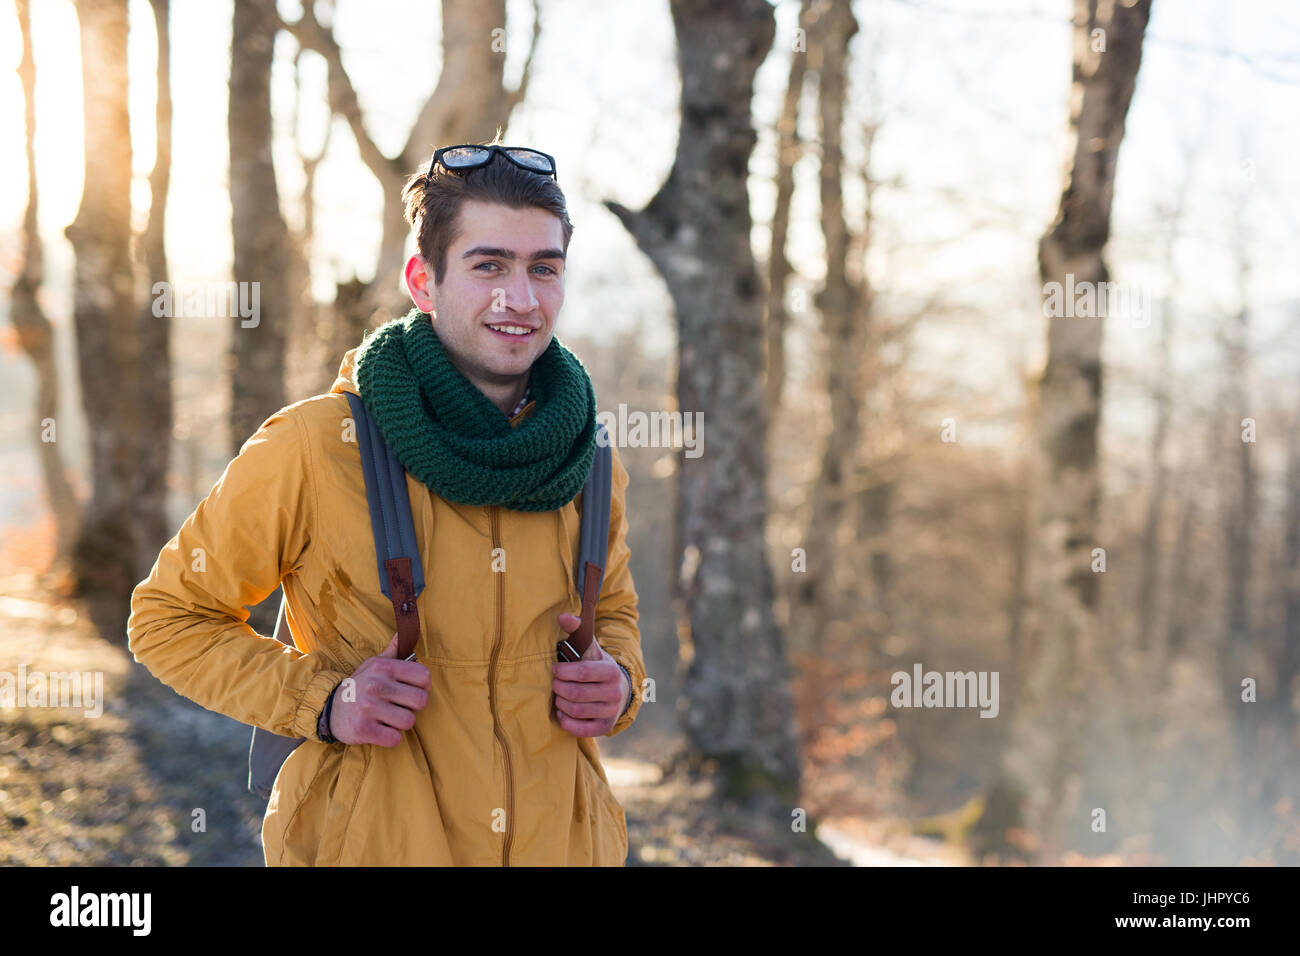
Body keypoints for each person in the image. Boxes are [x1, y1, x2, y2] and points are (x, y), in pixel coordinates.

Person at [126, 139, 644, 866]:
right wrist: (326, 702)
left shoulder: (587, 458)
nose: (520, 299)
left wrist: (618, 683)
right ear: (422, 280)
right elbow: (167, 620)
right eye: (488, 264)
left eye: (543, 268)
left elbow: (613, 615)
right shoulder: (314, 445)